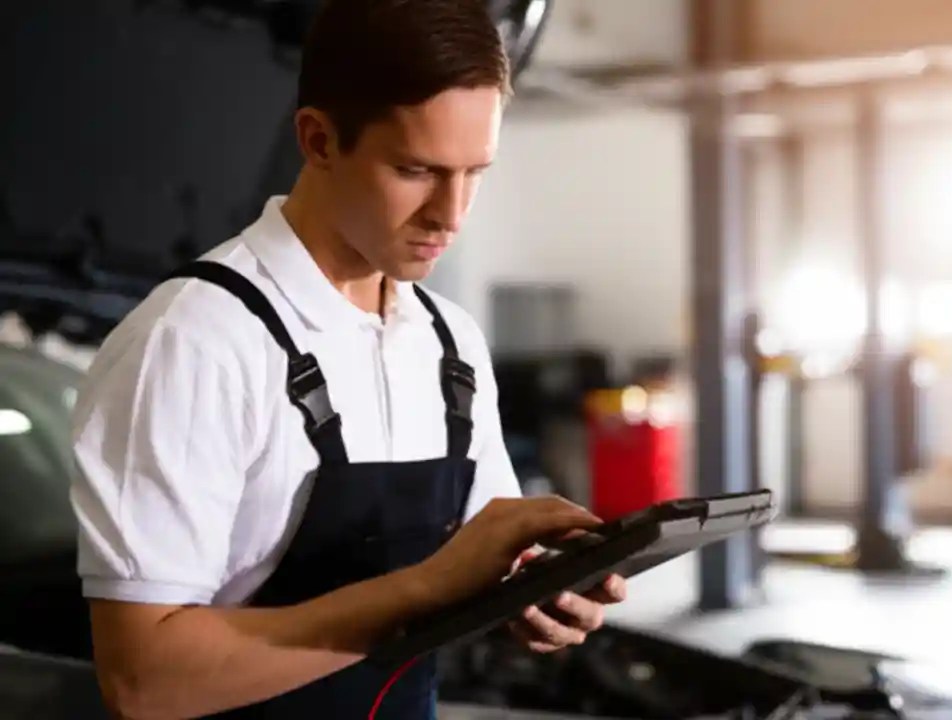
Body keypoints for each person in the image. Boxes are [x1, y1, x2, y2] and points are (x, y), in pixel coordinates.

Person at [67, 1, 626, 717]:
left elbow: (478, 566)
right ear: (319, 139)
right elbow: (144, 681)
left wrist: (533, 592)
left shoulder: (448, 346)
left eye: (475, 172)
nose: (451, 215)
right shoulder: (196, 343)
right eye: (416, 169)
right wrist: (423, 589)